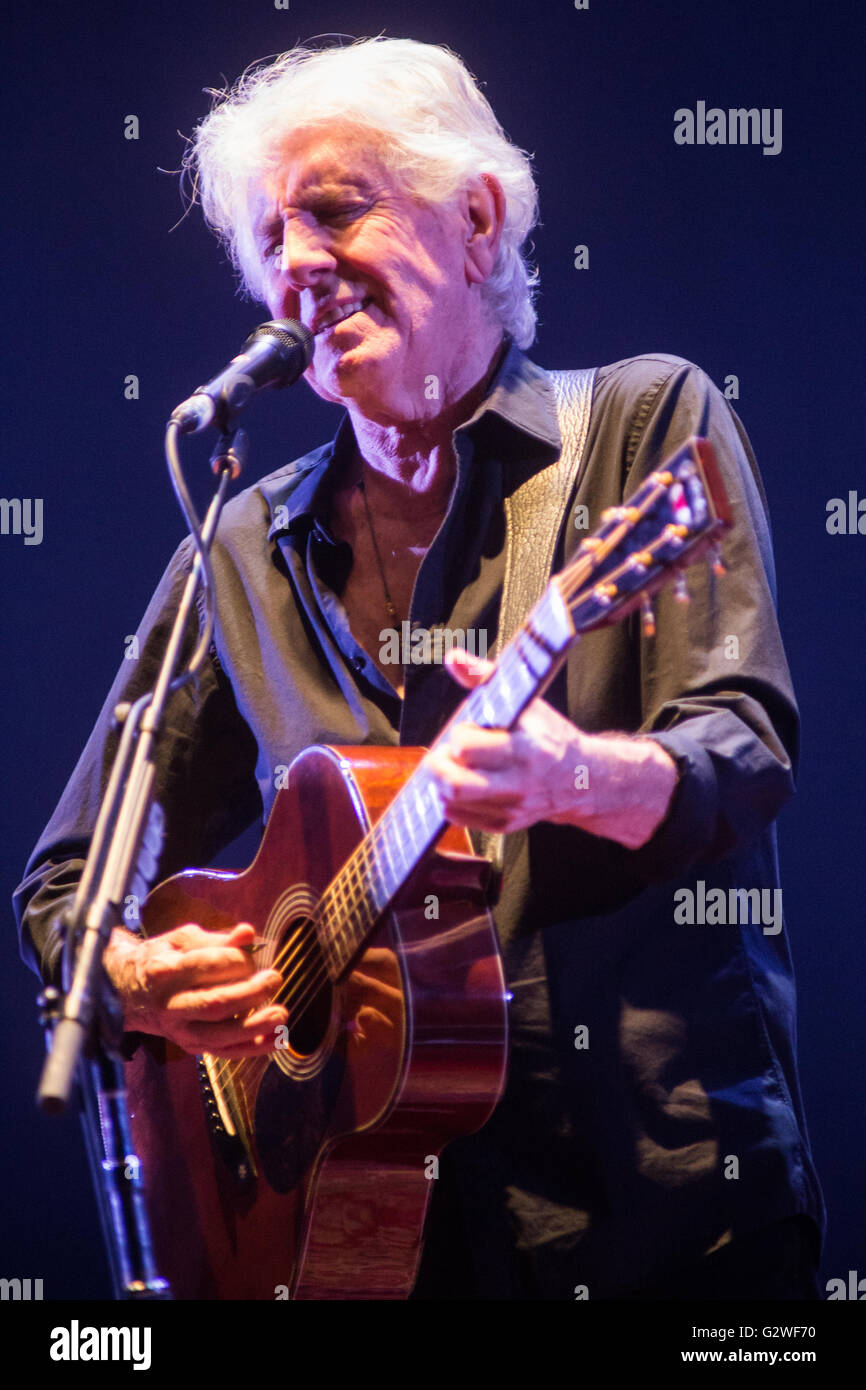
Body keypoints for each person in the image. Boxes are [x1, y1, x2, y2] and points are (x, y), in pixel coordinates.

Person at [14, 36, 824, 1300]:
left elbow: (742, 747)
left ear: (477, 221)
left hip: (652, 1219)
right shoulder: (237, 547)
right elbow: (71, 879)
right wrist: (125, 972)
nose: (296, 264)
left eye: (335, 211)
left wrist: (578, 775)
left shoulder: (637, 430)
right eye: (273, 240)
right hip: (362, 1241)